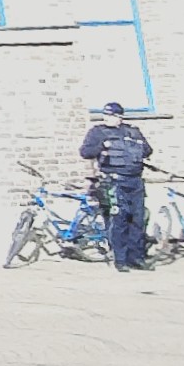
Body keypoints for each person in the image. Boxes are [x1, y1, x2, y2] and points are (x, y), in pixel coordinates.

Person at [78, 103, 156, 272]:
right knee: (118, 220)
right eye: (105, 115)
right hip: (114, 182)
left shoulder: (133, 131)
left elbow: (148, 150)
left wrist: (136, 147)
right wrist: (102, 147)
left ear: (120, 117)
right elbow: (85, 152)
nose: (108, 118)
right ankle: (120, 260)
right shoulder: (97, 132)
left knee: (137, 220)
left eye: (112, 115)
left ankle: (136, 258)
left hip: (135, 181)